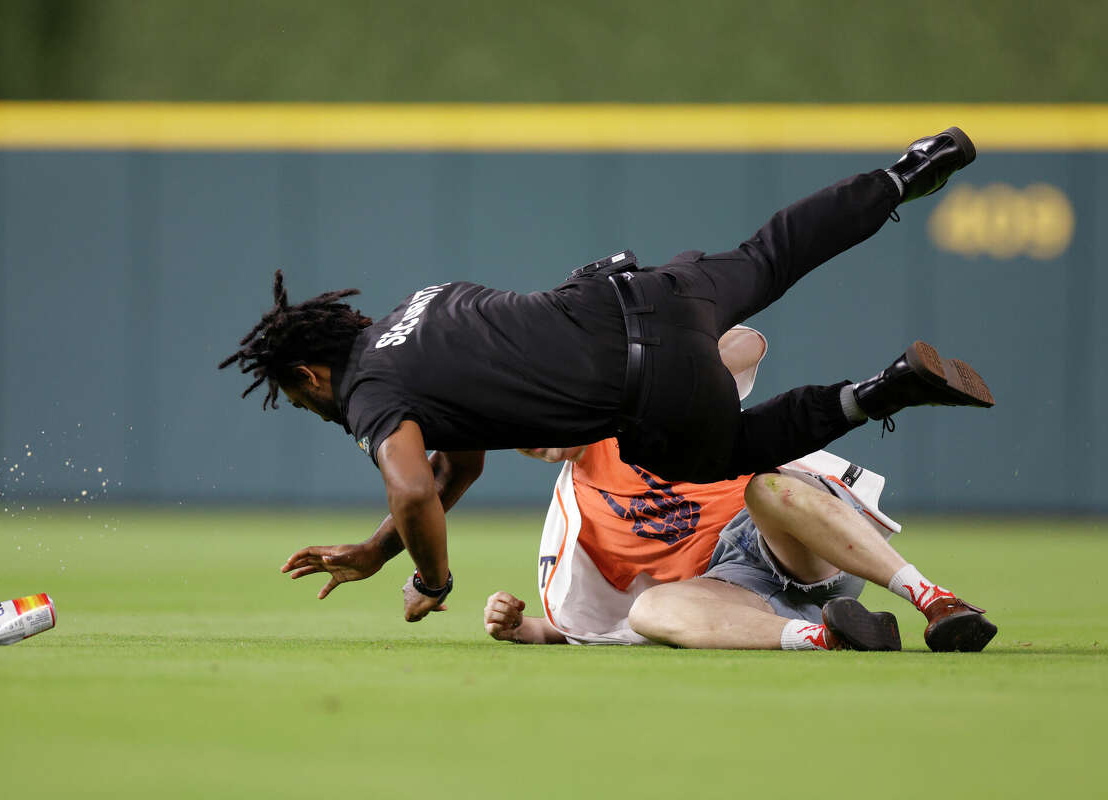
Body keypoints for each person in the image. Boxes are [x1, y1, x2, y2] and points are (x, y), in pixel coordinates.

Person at [222, 127, 993, 623]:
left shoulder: (366, 392)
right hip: (649, 292)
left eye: (295, 394)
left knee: (726, 454)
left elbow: (416, 486)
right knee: (771, 253)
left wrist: (432, 582)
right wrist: (376, 550)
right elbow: (458, 461)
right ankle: (905, 173)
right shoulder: (423, 304)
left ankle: (875, 392)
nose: (307, 405)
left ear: (308, 370)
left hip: (654, 391)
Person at [486, 328, 995, 651]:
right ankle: (831, 637)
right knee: (651, 611)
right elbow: (595, 620)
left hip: (795, 539)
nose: (531, 440)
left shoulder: (641, 409)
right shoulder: (577, 513)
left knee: (764, 490)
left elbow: (747, 343)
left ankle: (935, 602)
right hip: (735, 588)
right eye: (515, 435)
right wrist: (524, 628)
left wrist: (664, 375)